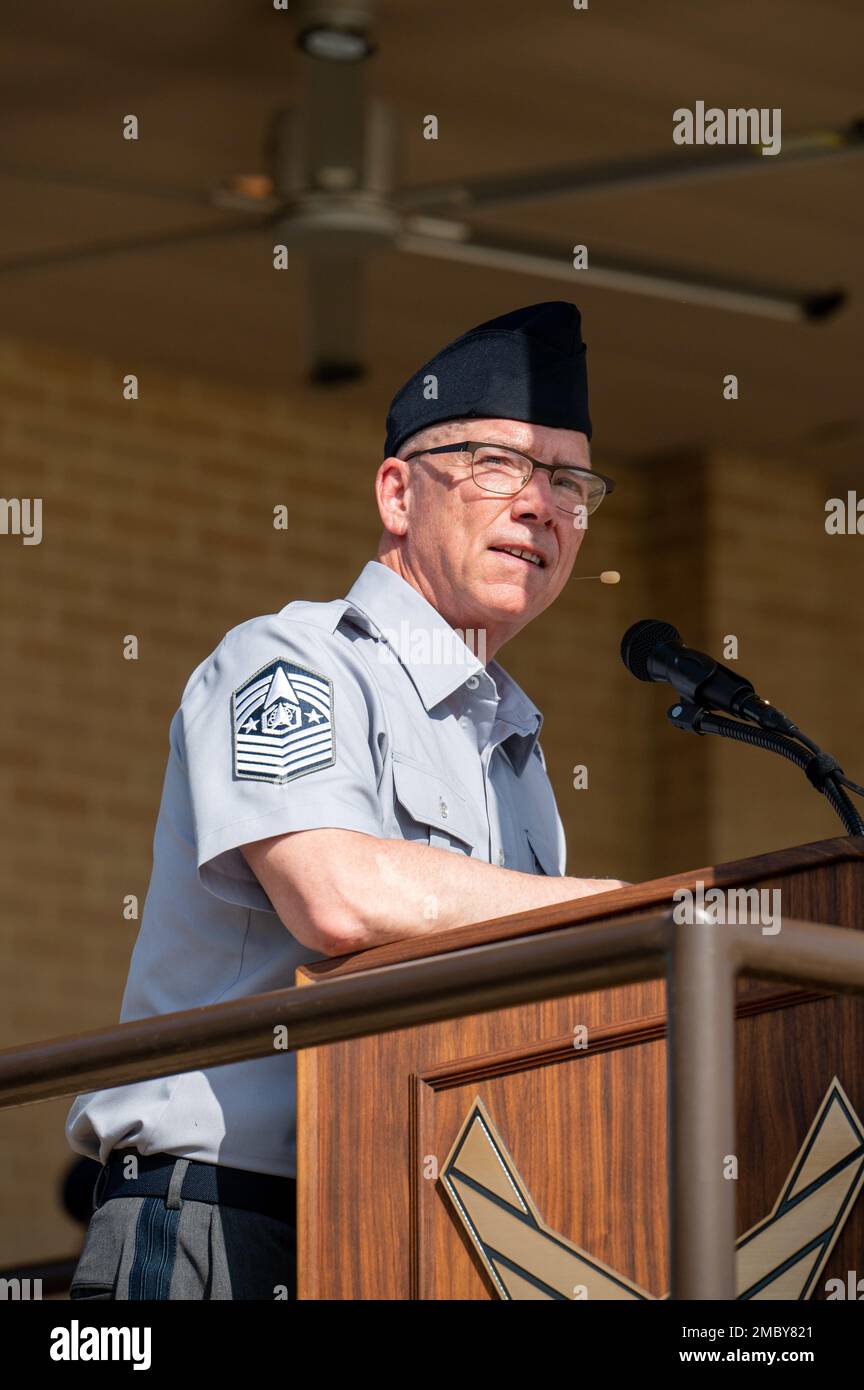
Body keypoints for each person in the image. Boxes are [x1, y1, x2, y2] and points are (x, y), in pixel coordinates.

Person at [65, 300, 626, 1301]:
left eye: (570, 482)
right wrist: (615, 911)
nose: (541, 505)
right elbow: (335, 895)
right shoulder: (289, 662)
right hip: (219, 1217)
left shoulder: (517, 753)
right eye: (499, 464)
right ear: (398, 494)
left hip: (415, 1224)